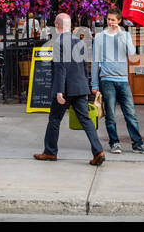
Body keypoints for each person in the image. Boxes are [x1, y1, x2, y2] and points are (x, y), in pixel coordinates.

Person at [34, 13, 105, 166]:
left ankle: (50, 152)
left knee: (54, 120)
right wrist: (86, 88)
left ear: (57, 25)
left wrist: (59, 91)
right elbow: (84, 67)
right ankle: (98, 151)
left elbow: (60, 68)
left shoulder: (58, 42)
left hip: (65, 89)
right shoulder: (80, 42)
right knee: (86, 120)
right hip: (80, 87)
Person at [92, 8, 144, 154]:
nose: (110, 22)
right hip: (107, 79)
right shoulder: (100, 37)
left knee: (130, 113)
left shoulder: (125, 35)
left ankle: (138, 143)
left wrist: (120, 34)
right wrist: (94, 84)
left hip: (123, 79)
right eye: (108, 19)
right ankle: (114, 143)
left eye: (113, 20)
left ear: (119, 21)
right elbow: (95, 61)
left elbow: (132, 54)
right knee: (111, 114)